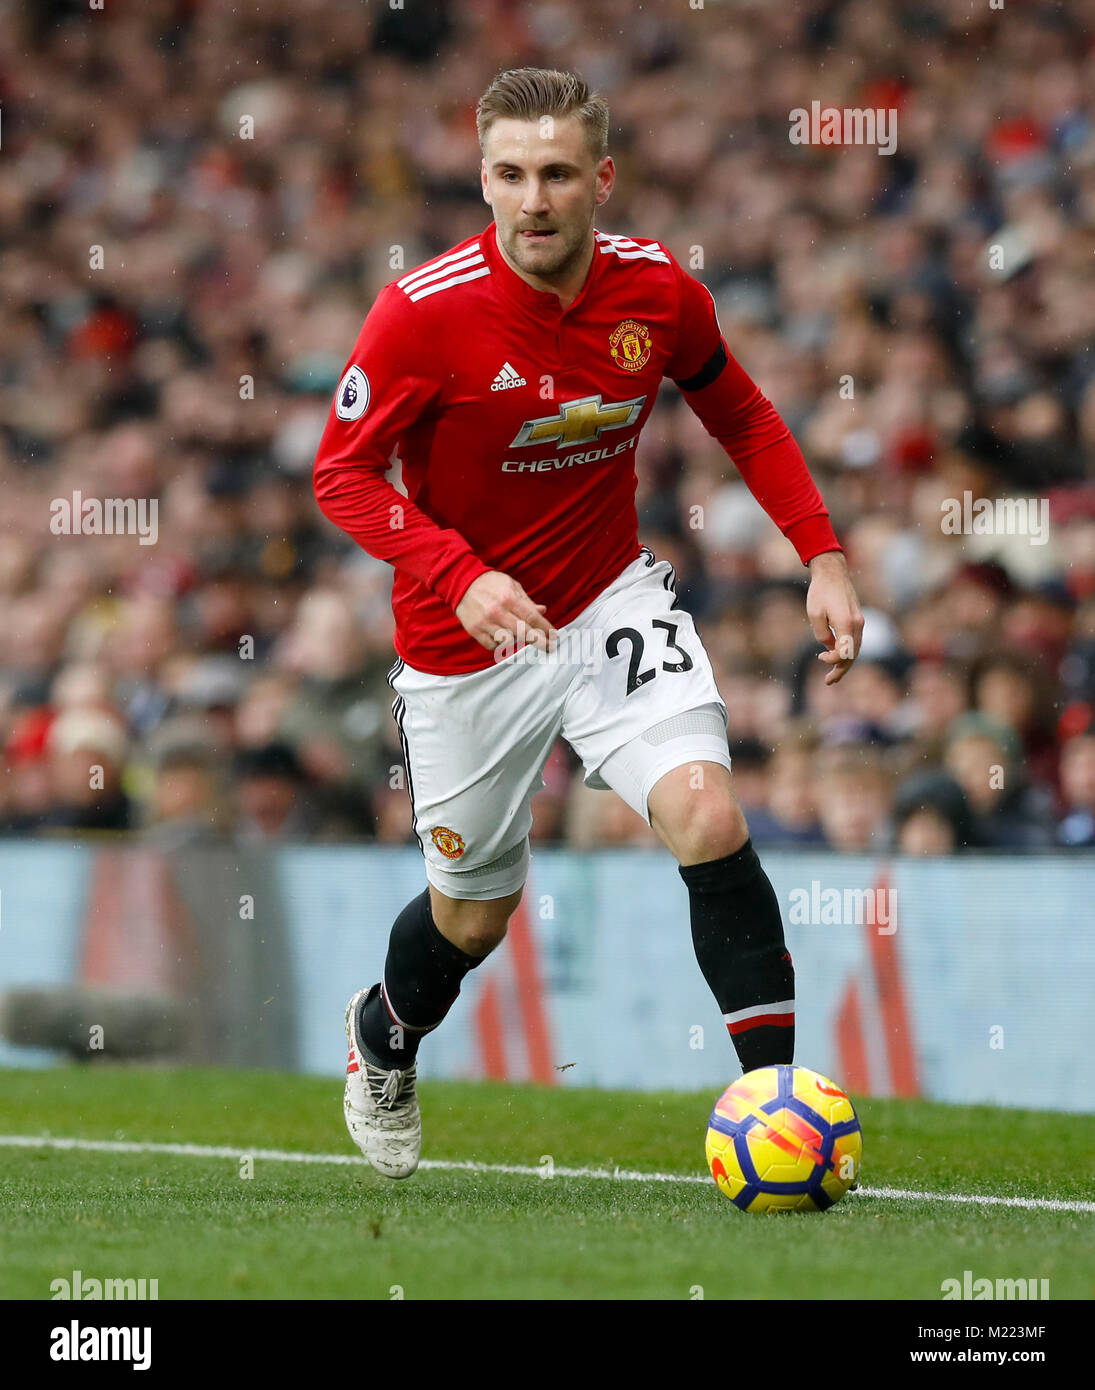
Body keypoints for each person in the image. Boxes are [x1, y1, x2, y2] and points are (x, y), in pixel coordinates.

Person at [313, 68, 863, 1179]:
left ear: (601, 179)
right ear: (483, 178)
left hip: (609, 599)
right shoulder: (423, 313)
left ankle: (778, 1114)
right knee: (474, 916)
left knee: (708, 814)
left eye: (558, 172)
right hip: (464, 643)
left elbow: (744, 414)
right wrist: (458, 574)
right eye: (510, 174)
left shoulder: (659, 291)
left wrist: (823, 554)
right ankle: (385, 1032)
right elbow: (342, 475)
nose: (534, 199)